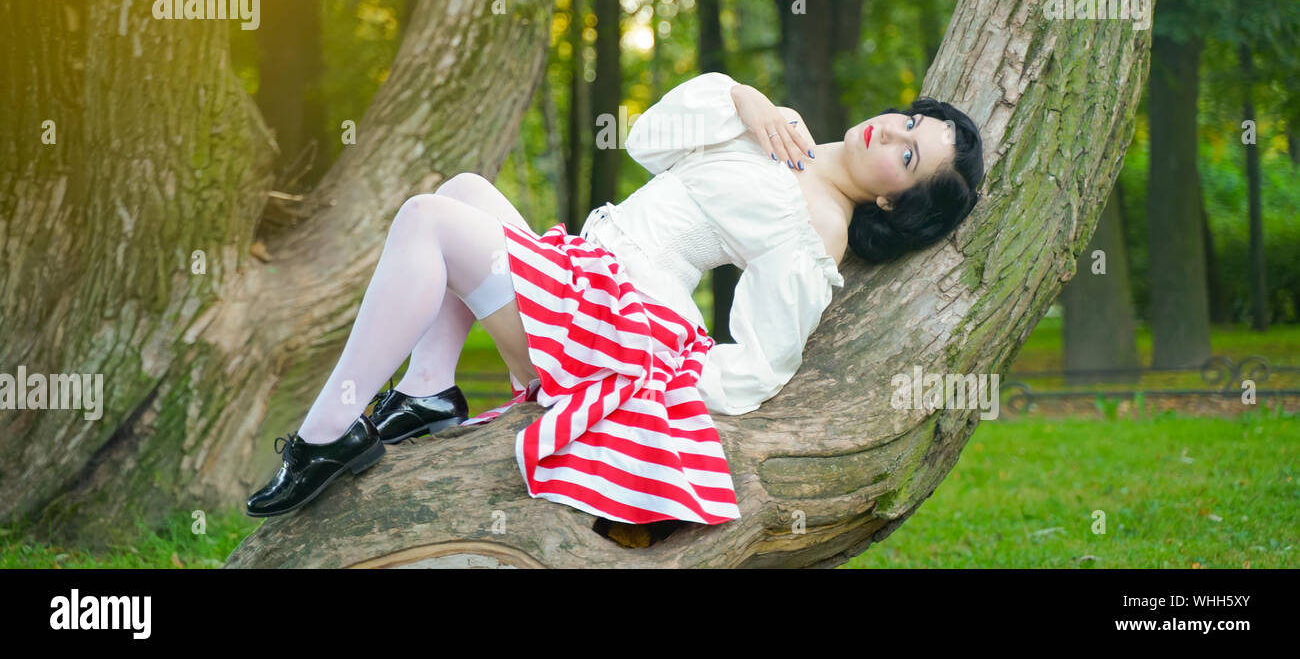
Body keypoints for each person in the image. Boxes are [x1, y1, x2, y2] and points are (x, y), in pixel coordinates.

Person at [246, 71, 984, 525]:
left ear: (894, 203)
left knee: (426, 219)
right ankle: (428, 391)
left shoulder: (819, 226)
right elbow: (649, 141)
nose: (892, 132)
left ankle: (325, 435)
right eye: (910, 121)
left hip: (617, 316)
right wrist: (742, 98)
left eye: (908, 154)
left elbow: (764, 362)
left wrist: (660, 374)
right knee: (463, 190)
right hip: (594, 268)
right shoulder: (784, 133)